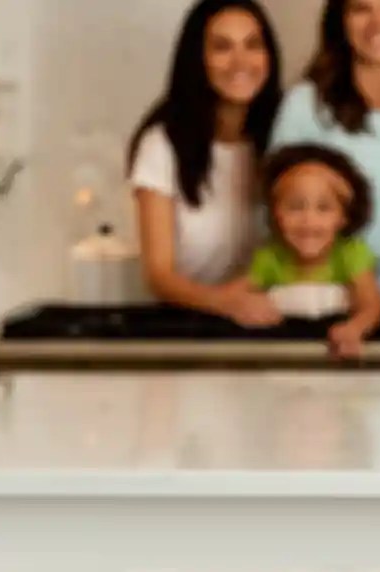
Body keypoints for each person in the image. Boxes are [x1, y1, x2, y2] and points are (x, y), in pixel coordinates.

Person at [126, 0, 286, 327]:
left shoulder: (283, 135)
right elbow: (159, 275)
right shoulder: (162, 145)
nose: (240, 61)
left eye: (253, 45)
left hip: (266, 325)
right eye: (222, 47)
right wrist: (225, 302)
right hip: (184, 330)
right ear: (197, 60)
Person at [271, 0, 380, 310]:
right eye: (360, 9)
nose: (377, 22)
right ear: (340, 22)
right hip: (333, 308)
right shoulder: (307, 104)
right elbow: (272, 211)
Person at [245, 144, 380, 358]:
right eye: (295, 207)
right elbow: (236, 299)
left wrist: (354, 329)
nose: (308, 221)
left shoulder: (351, 253)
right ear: (275, 214)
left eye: (324, 208)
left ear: (344, 217)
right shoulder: (268, 257)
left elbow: (371, 304)